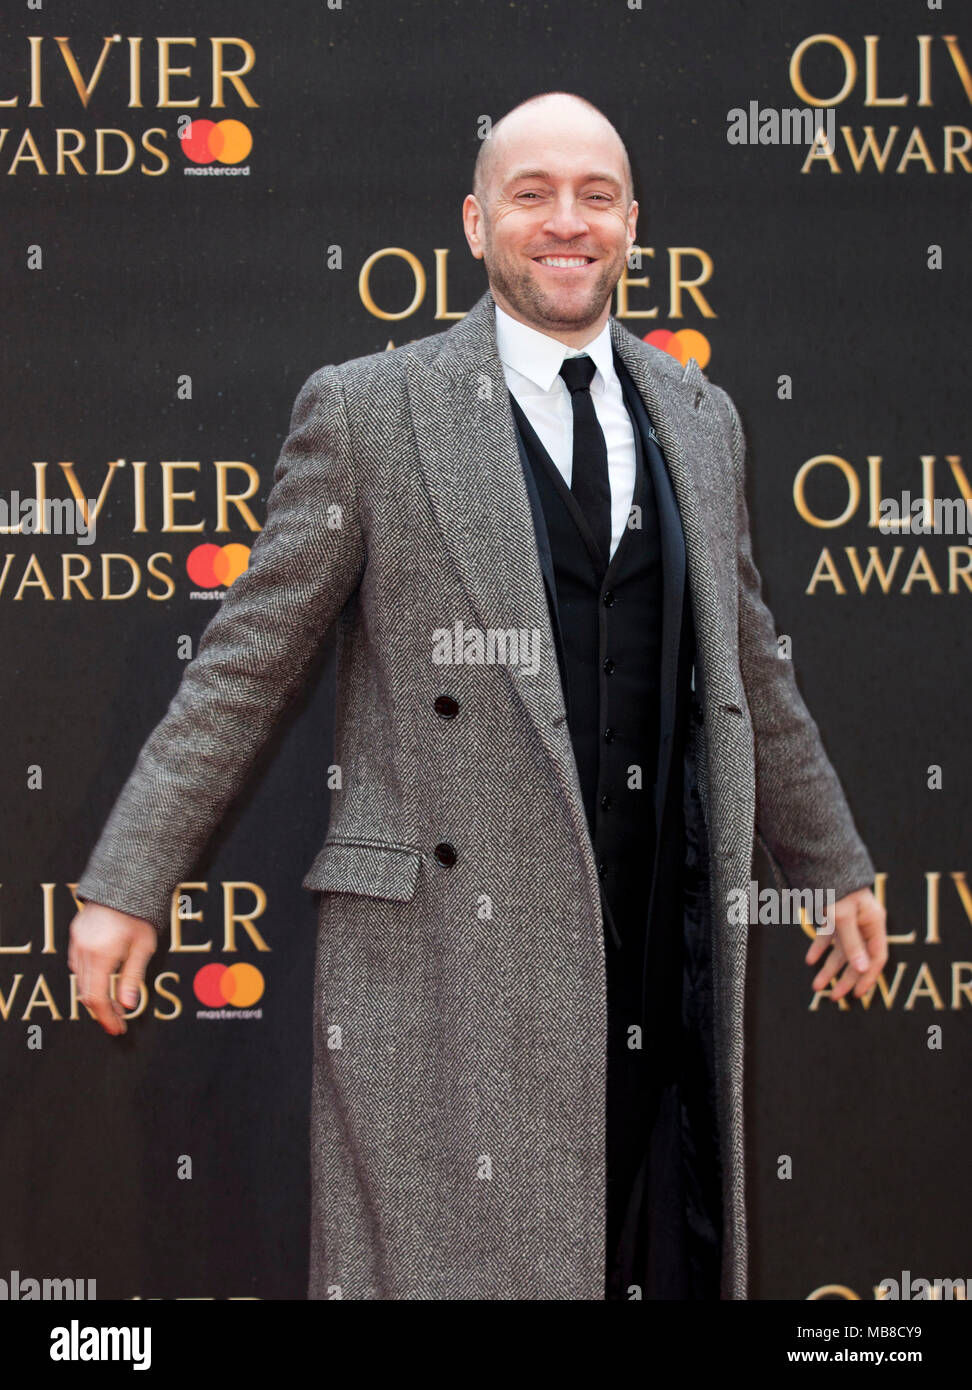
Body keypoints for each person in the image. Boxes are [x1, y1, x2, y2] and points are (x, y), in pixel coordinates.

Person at [70, 91, 887, 1300]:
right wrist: (129, 885)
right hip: (452, 967)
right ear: (474, 221)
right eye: (533, 194)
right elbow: (245, 663)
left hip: (653, 943)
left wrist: (832, 864)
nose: (568, 222)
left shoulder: (702, 420)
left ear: (632, 223)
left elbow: (749, 662)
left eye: (596, 197)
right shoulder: (369, 413)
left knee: (651, 1256)